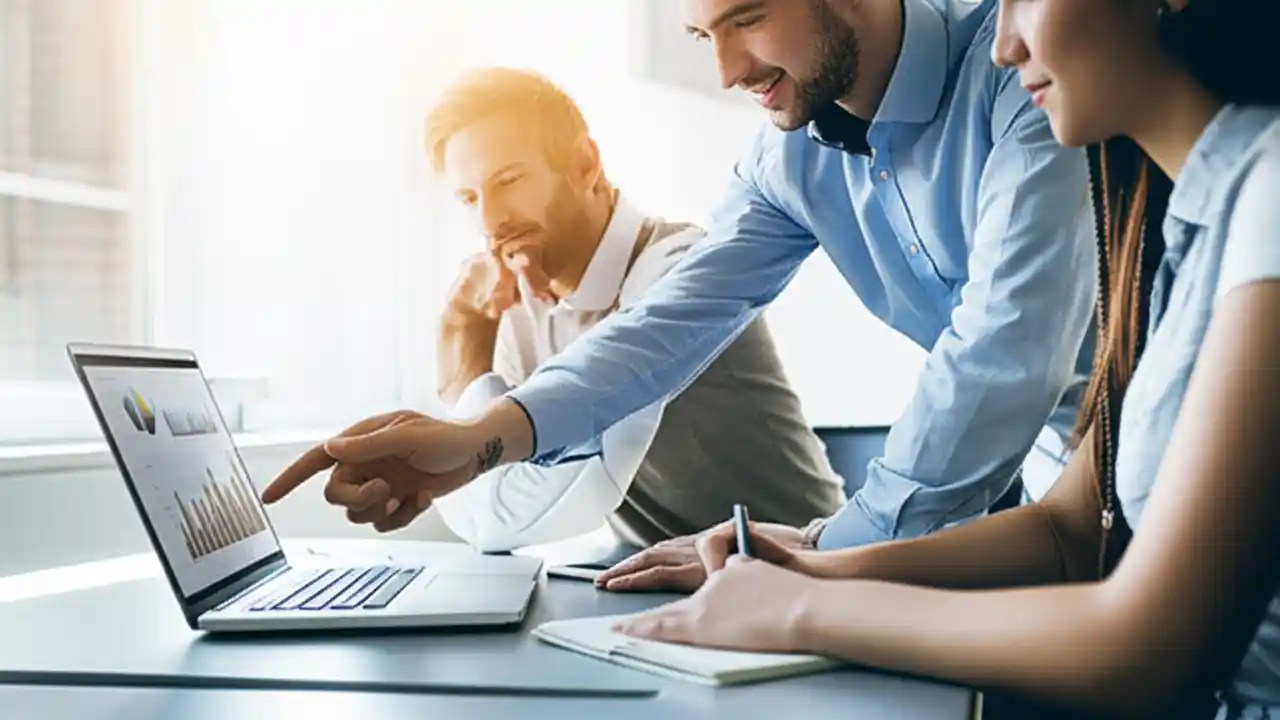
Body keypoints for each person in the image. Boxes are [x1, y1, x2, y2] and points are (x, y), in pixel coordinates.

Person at [261, 0, 1099, 578]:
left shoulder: (1023, 70)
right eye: (705, 34)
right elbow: (667, 325)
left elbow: (1003, 354)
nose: (730, 69)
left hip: (1159, 458)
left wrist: (829, 552)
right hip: (1052, 503)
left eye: (748, 17)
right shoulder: (790, 160)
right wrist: (485, 435)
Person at [608, 1, 1280, 717]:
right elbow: (1074, 530)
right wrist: (816, 564)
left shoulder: (1268, 196)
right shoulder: (1183, 220)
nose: (1003, 46)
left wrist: (799, 609)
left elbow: (1154, 650)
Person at [423, 67, 845, 551]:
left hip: (807, 575)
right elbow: (490, 503)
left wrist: (462, 344)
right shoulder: (518, 308)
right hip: (676, 590)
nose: (489, 220)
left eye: (509, 180)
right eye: (469, 197)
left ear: (585, 164)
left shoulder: (676, 270)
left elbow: (504, 521)